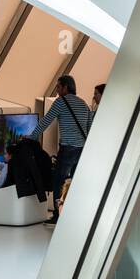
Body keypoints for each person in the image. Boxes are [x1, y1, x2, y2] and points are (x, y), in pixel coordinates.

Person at [30, 74, 92, 225]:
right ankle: (75, 214)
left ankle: (58, 215)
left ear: (65, 87)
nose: (57, 90)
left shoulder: (61, 102)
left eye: (58, 86)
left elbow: (46, 121)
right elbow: (90, 127)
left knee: (58, 180)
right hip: (82, 148)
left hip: (68, 148)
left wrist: (31, 136)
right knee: (76, 182)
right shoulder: (83, 103)